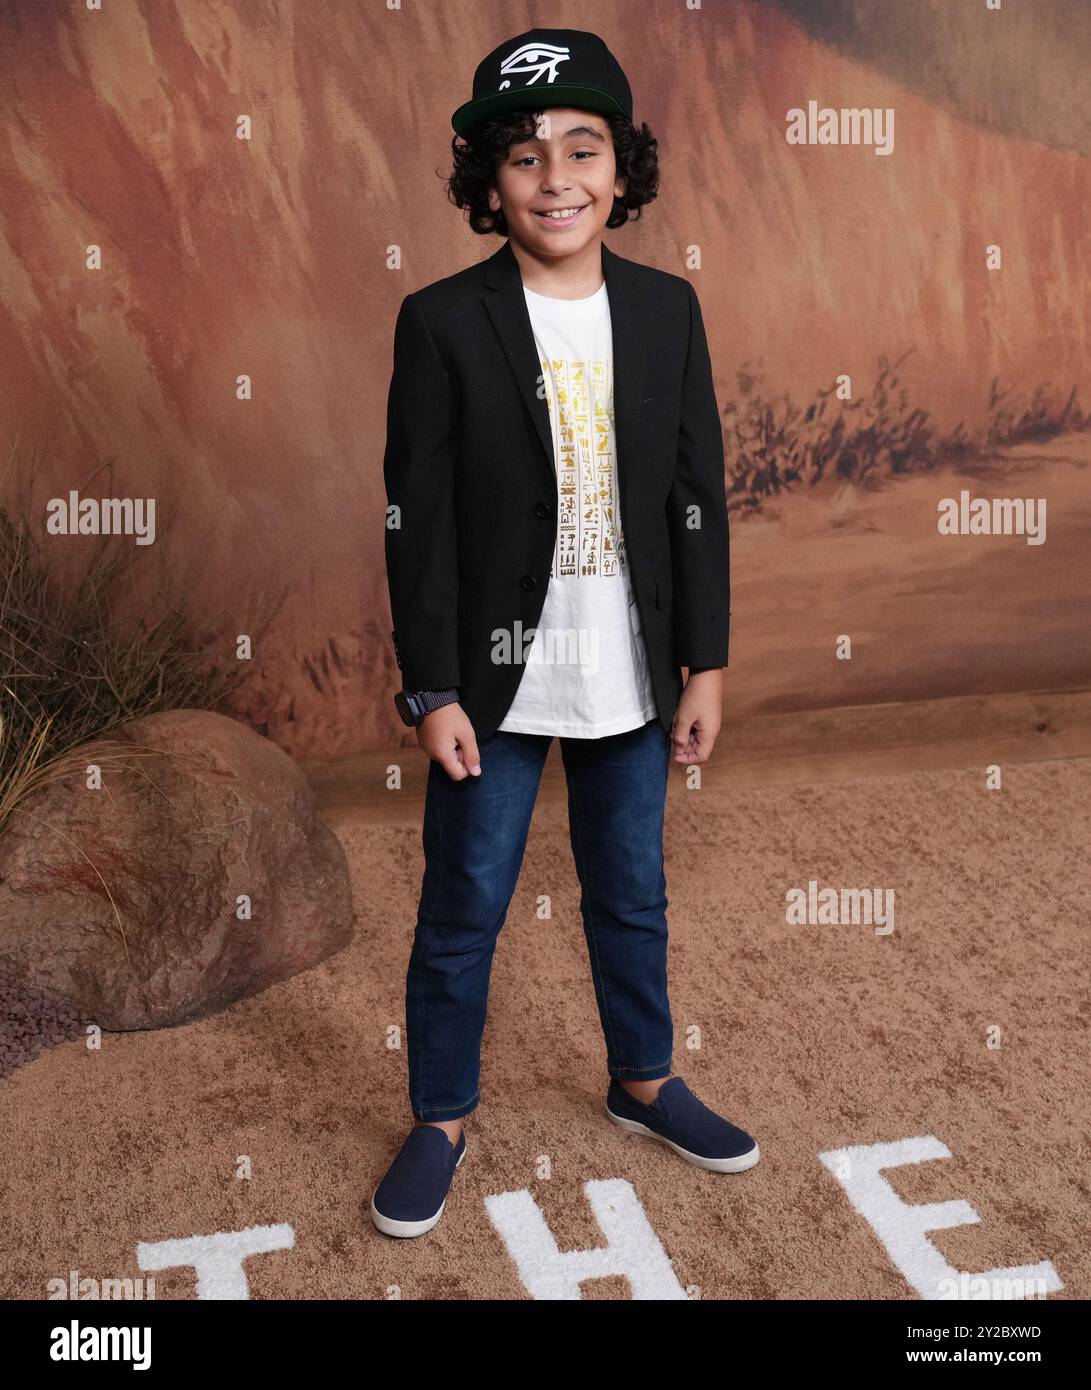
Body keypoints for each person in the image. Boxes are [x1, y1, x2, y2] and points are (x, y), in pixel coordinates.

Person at [373, 27, 759, 1239]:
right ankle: (438, 1115)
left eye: (582, 150)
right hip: (492, 682)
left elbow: (697, 494)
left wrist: (705, 661)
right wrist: (429, 687)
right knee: (465, 899)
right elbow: (416, 524)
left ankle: (642, 1078)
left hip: (630, 672)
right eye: (526, 156)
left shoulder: (665, 309)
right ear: (489, 183)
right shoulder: (439, 322)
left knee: (630, 889)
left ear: (621, 167)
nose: (557, 179)